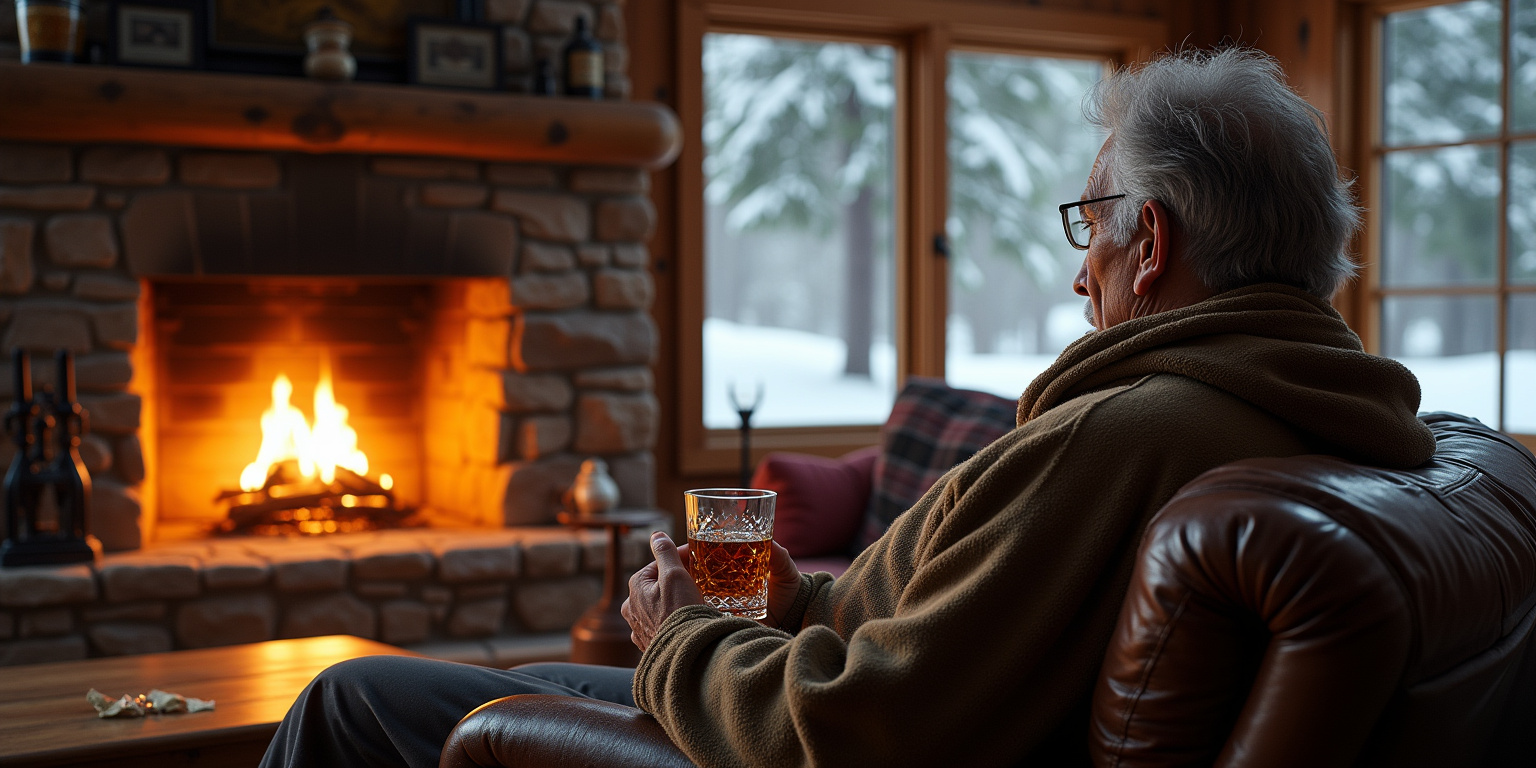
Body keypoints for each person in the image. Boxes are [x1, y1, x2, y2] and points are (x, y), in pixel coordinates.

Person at [259, 47, 1437, 768]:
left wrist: (680, 633)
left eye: (1091, 226)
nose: (1081, 271)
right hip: (786, 681)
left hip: (778, 730)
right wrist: (799, 598)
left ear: (1155, 240)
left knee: (353, 699)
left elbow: (860, 735)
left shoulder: (1127, 433)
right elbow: (960, 641)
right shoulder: (1318, 413)